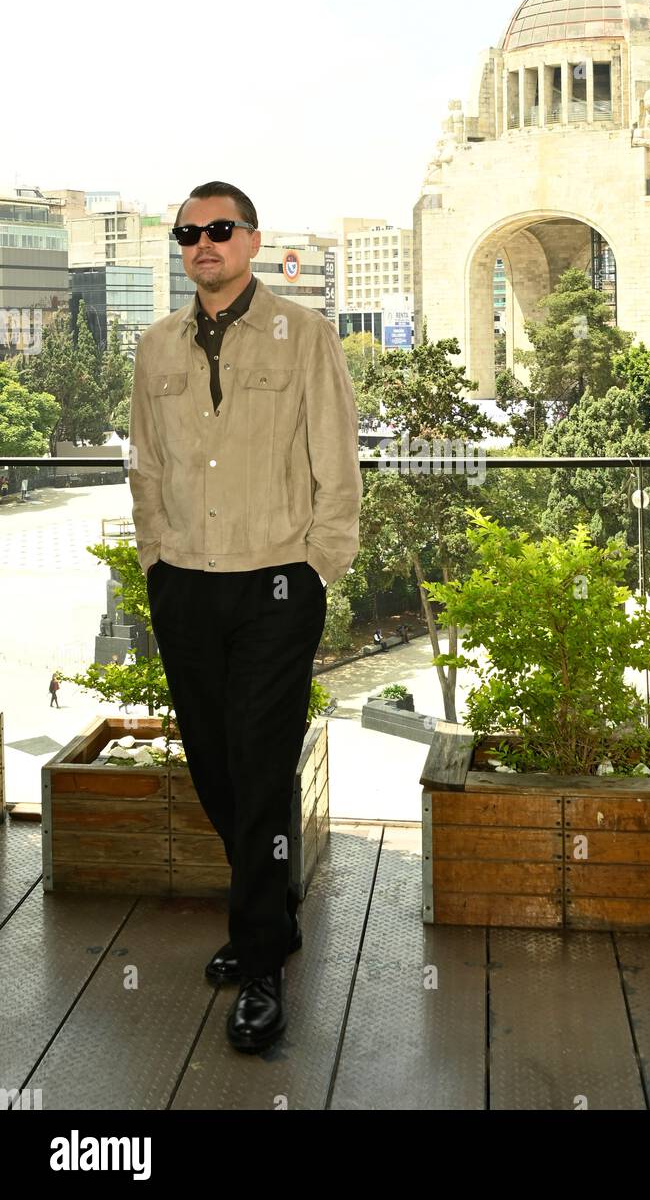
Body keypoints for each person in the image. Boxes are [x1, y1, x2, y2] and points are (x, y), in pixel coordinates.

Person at [128, 180, 363, 1054]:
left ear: (252, 240)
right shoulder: (155, 347)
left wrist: (318, 568)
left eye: (218, 230)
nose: (202, 244)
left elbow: (335, 461)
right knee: (216, 766)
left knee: (261, 769)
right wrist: (154, 558)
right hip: (185, 581)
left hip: (275, 583)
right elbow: (146, 465)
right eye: (188, 234)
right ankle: (277, 902)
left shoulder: (306, 337)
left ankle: (261, 956)